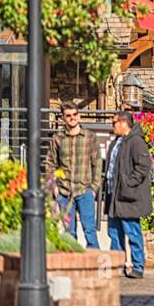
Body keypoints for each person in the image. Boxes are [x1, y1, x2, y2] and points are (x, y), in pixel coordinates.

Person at [104, 111, 152, 279]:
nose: (113, 125)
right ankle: (118, 265)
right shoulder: (117, 142)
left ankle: (138, 266)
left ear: (123, 123)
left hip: (128, 196)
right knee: (114, 232)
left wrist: (127, 183)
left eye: (114, 122)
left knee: (132, 231)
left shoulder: (136, 142)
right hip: (114, 195)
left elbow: (144, 166)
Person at [45, 103, 100, 249]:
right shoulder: (57, 138)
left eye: (75, 114)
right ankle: (73, 266)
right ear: (63, 118)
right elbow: (50, 163)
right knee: (69, 232)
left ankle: (94, 265)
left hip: (84, 190)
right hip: (64, 192)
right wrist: (53, 187)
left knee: (90, 230)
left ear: (79, 116)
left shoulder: (89, 137)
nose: (72, 118)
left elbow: (97, 164)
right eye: (68, 115)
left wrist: (94, 187)